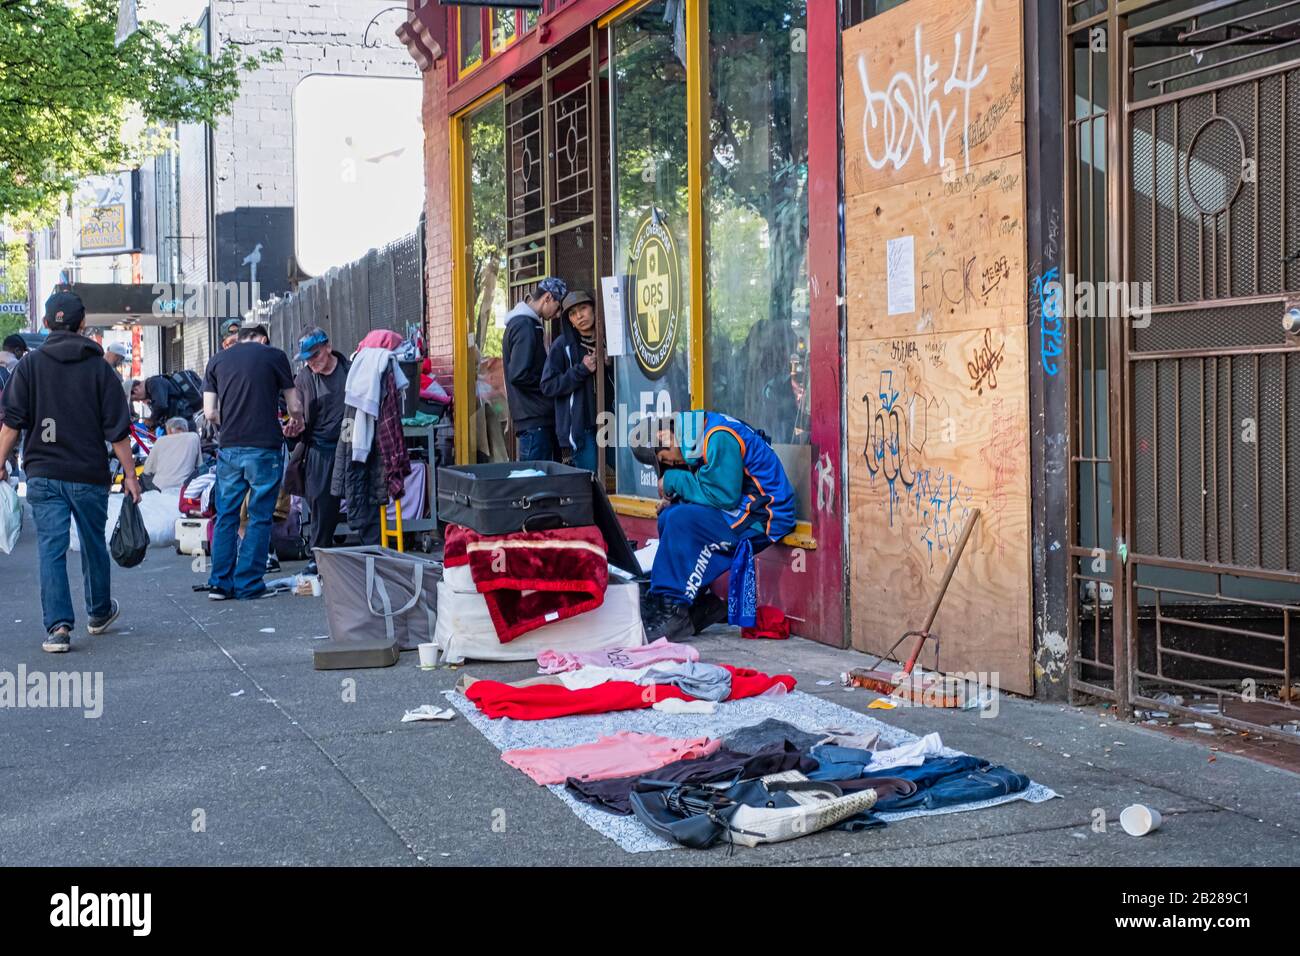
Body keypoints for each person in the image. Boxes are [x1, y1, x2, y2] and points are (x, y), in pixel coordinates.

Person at [0, 291, 142, 653]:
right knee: (93, 542)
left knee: (52, 546)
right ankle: (98, 613)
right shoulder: (100, 369)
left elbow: (12, 425)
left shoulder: (28, 368)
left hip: (44, 473)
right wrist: (130, 475)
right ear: (82, 325)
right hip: (88, 473)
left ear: (46, 324)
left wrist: (0, 463)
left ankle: (59, 628)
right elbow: (118, 430)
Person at [634, 410, 797, 641]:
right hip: (744, 510)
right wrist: (677, 496)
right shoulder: (697, 434)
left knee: (681, 520)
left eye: (664, 458)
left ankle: (673, 613)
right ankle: (694, 602)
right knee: (670, 515)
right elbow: (713, 485)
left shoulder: (717, 435)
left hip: (765, 518)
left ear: (663, 435)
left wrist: (674, 480)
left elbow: (723, 496)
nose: (671, 463)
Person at [202, 320, 303, 600]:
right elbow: (294, 405)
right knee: (259, 516)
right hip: (264, 447)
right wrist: (297, 420)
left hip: (230, 447)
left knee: (226, 516)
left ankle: (219, 584)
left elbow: (209, 412)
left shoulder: (217, 361)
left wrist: (231, 422)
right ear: (262, 339)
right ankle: (248, 584)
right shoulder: (274, 356)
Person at [331, 329, 410, 547]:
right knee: (367, 496)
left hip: (357, 445)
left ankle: (375, 546)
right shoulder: (380, 371)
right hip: (365, 449)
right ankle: (376, 546)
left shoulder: (359, 373)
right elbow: (388, 422)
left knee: (365, 495)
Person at [292, 327, 349, 573]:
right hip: (319, 447)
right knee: (321, 503)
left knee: (360, 500)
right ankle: (318, 555)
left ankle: (369, 552)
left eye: (315, 355)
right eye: (307, 358)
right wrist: (295, 425)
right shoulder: (305, 378)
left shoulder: (348, 370)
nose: (311, 362)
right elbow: (299, 413)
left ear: (328, 347)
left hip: (348, 443)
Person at [541, 289, 608, 473]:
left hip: (612, 420)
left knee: (623, 477)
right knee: (591, 482)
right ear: (568, 319)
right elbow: (548, 385)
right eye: (572, 313)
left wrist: (610, 365)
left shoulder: (609, 341)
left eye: (583, 308)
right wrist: (581, 370)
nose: (579, 316)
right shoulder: (563, 346)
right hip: (581, 427)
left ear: (594, 310)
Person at [502, 276, 566, 461]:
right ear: (547, 297)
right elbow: (519, 374)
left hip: (532, 418)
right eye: (558, 306)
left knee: (538, 483)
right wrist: (548, 386)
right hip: (535, 420)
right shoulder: (525, 326)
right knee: (535, 484)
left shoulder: (524, 324)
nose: (558, 314)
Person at [141, 416, 202, 492]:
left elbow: (147, 470)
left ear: (169, 430)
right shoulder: (193, 437)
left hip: (159, 488)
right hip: (184, 488)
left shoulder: (160, 441)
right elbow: (200, 466)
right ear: (185, 428)